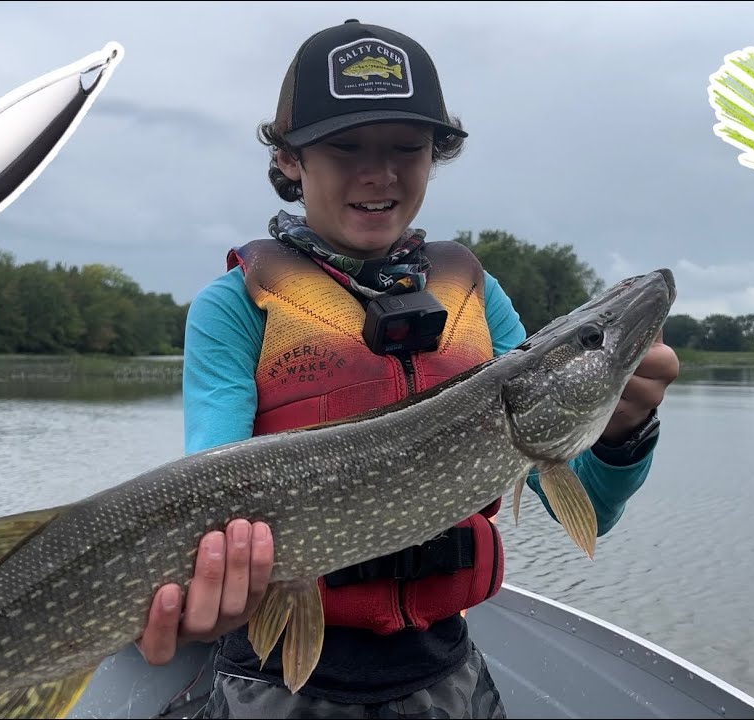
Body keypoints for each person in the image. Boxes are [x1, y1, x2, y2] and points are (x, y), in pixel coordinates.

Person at [134, 18, 680, 719]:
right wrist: (210, 581)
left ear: (434, 154)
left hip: (442, 674)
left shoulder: (475, 296)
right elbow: (214, 502)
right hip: (275, 682)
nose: (380, 172)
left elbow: (590, 509)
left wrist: (624, 428)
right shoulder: (236, 307)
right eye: (346, 148)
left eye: (406, 147)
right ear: (292, 161)